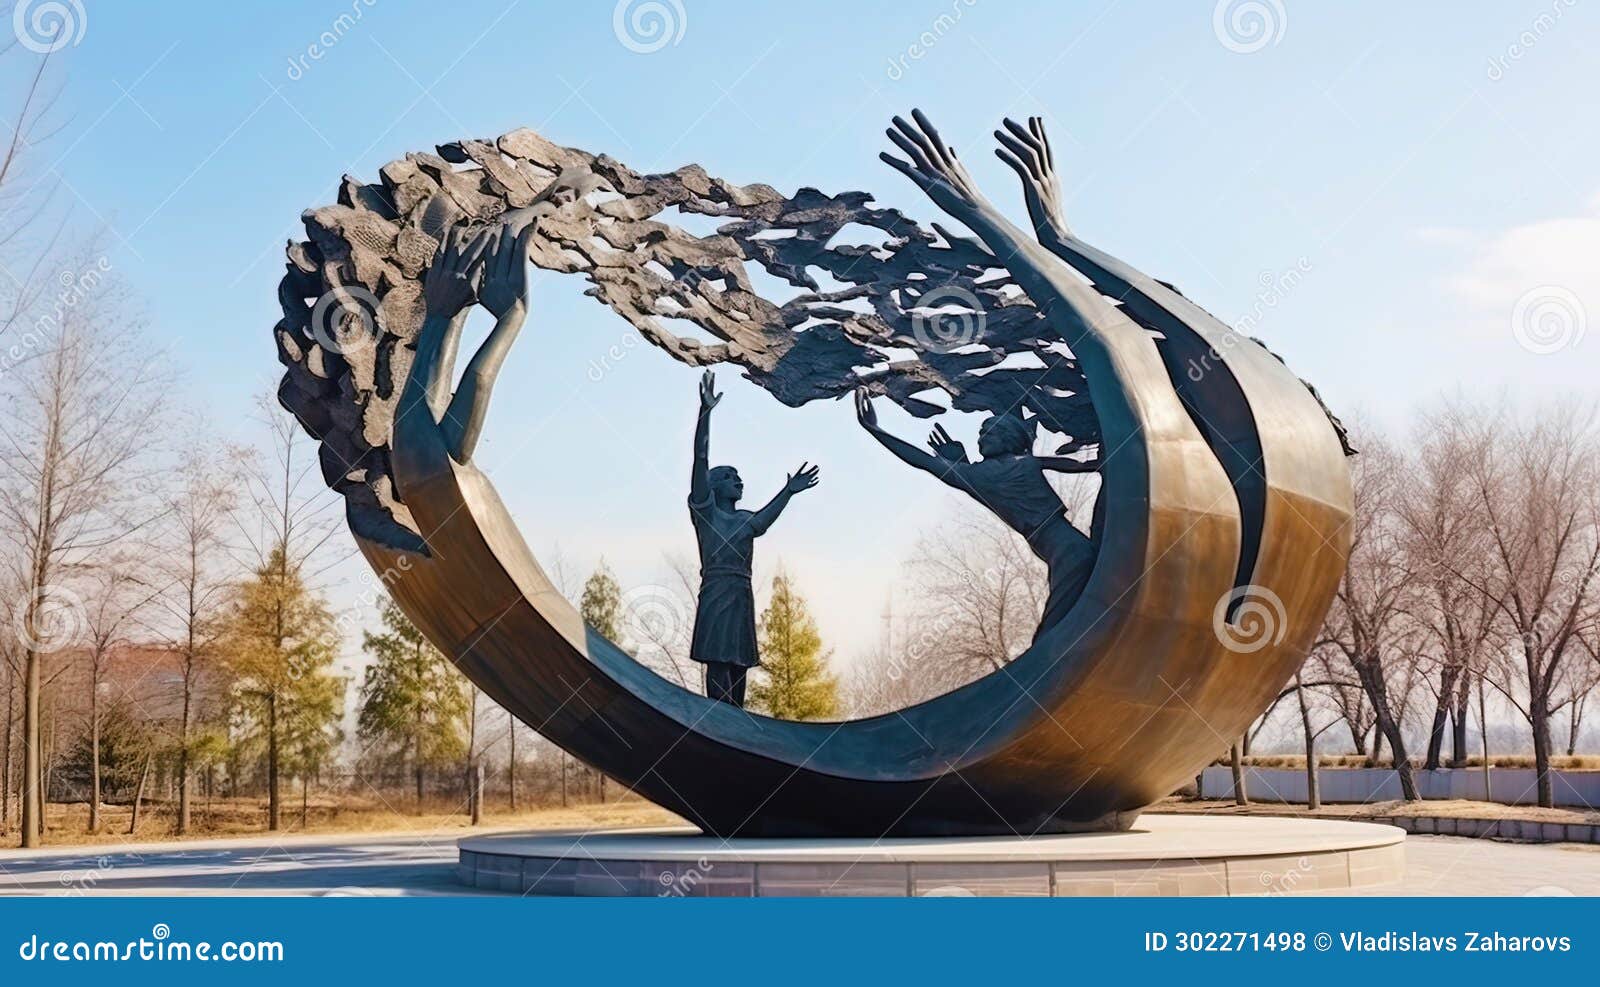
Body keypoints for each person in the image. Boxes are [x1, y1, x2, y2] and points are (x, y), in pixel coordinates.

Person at [855, 391, 1101, 640]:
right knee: (1062, 622)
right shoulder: (984, 474)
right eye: (982, 433)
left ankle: (1052, 653)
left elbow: (1082, 464)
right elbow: (923, 461)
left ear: (1009, 439)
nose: (982, 438)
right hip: (1065, 548)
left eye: (990, 432)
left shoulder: (1011, 465)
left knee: (1064, 620)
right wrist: (877, 431)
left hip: (1068, 547)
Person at [688, 370, 820, 706]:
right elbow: (700, 459)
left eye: (739, 477)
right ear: (713, 486)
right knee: (718, 658)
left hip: (741, 593)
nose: (739, 481)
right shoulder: (706, 513)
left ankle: (738, 720)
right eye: (730, 477)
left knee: (739, 660)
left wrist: (788, 491)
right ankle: (719, 718)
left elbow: (763, 520)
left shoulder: (745, 520)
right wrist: (705, 413)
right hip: (717, 589)